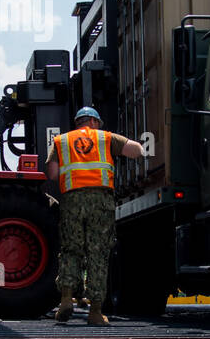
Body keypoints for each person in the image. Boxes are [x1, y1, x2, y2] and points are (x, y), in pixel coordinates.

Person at [45, 107, 144, 326]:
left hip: (72, 200)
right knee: (98, 253)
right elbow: (136, 150)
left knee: (71, 249)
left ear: (78, 122)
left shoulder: (61, 141)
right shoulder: (106, 137)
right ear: (93, 121)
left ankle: (65, 301)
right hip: (100, 201)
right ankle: (96, 312)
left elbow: (52, 173)